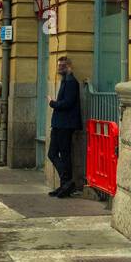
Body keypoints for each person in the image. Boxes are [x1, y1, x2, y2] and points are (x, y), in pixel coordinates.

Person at [48, 54, 82, 198]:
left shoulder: (71, 82)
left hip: (65, 124)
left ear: (68, 66)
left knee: (63, 154)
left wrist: (53, 103)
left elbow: (68, 103)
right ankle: (65, 184)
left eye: (62, 66)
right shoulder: (65, 81)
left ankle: (67, 183)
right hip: (59, 124)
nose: (59, 68)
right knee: (53, 153)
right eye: (58, 65)